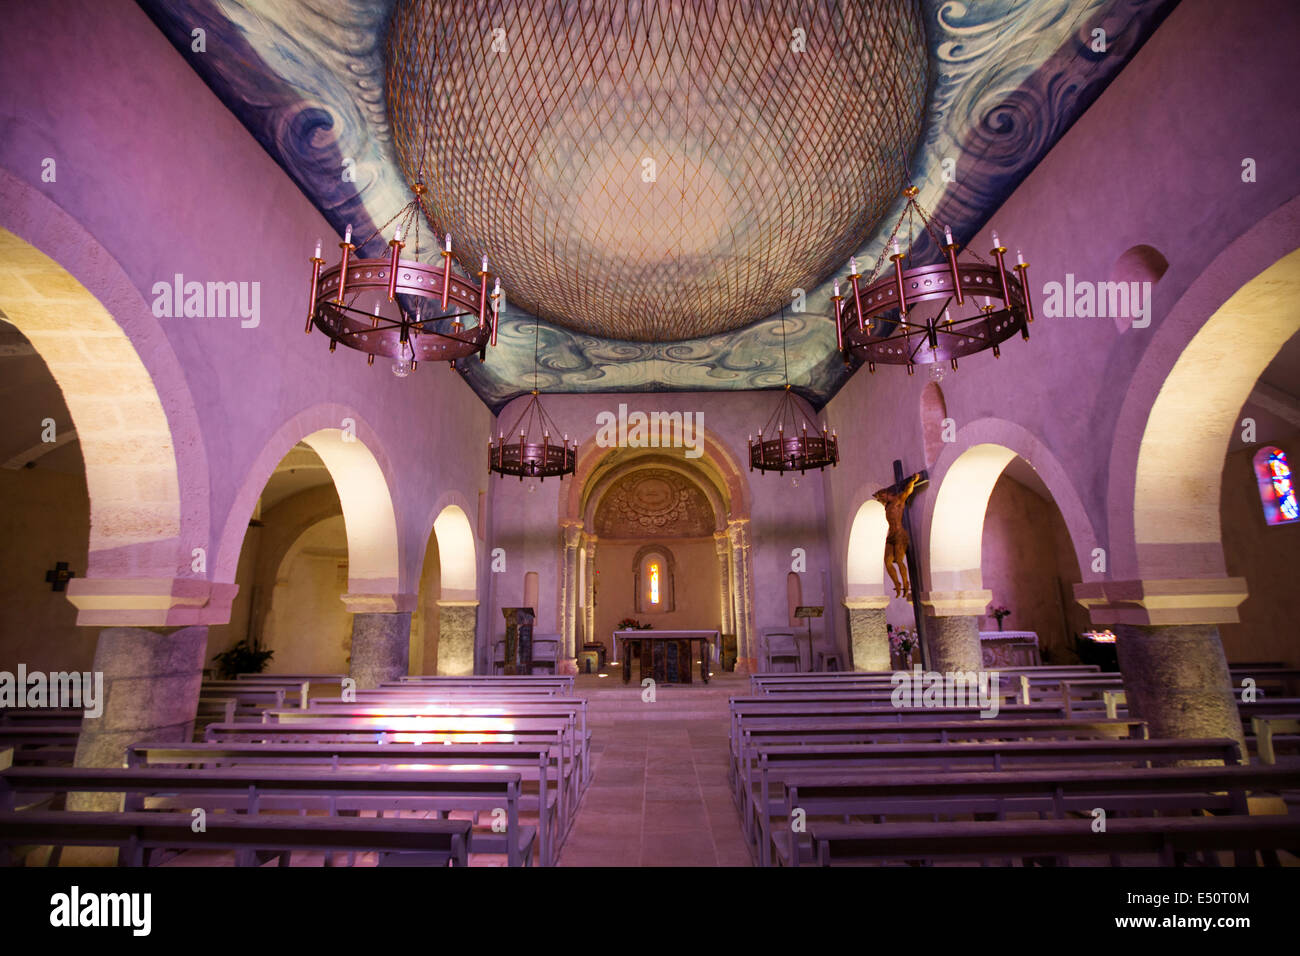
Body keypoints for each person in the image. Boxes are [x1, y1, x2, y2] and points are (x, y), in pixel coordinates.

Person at [872, 472, 922, 599]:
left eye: (882, 496)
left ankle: (906, 583)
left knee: (899, 560)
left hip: (900, 533)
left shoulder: (898, 500)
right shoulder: (886, 506)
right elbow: (878, 499)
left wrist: (912, 481)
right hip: (891, 535)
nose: (881, 499)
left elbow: (908, 491)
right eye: (880, 498)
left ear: (888, 494)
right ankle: (897, 583)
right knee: (887, 561)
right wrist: (878, 497)